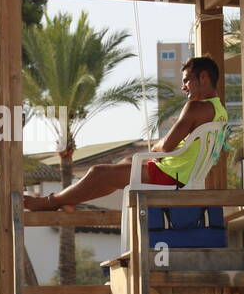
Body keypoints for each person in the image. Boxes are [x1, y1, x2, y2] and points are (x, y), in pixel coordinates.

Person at [24, 55, 227, 210]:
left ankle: (50, 202)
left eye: (186, 80)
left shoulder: (195, 107)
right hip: (183, 173)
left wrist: (157, 145)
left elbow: (165, 146)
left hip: (172, 175)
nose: (183, 87)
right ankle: (70, 200)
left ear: (203, 76)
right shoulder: (220, 112)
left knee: (98, 172)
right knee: (126, 163)